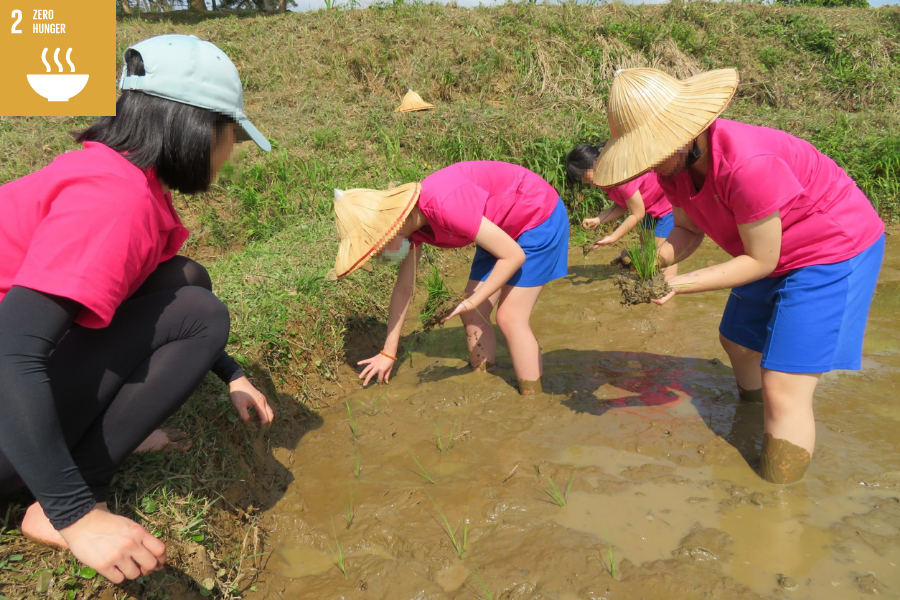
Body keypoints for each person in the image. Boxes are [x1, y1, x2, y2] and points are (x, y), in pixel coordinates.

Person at [0, 34, 274, 583]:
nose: (231, 152)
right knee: (201, 313)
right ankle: (63, 496)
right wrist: (76, 516)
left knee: (185, 279)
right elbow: (10, 352)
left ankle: (88, 447)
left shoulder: (120, 178)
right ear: (197, 128)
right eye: (231, 135)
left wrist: (233, 373)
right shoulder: (113, 200)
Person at [592, 67, 885, 484]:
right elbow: (688, 229)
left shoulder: (749, 163)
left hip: (831, 248)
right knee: (737, 341)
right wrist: (652, 260)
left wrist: (673, 284)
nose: (650, 164)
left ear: (685, 132)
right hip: (765, 249)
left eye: (653, 150)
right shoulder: (673, 168)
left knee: (784, 386)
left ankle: (775, 498)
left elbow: (761, 262)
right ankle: (753, 416)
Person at [333, 161, 569, 395]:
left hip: (537, 215)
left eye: (376, 249)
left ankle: (533, 399)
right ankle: (483, 380)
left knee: (510, 318)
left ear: (388, 228)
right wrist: (388, 351)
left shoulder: (444, 206)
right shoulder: (409, 229)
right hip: (499, 226)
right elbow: (404, 288)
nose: (379, 256)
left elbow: (513, 256)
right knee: (472, 313)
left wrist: (474, 299)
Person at [566, 144, 677, 277]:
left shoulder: (620, 177)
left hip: (667, 204)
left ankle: (668, 286)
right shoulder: (605, 180)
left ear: (596, 164)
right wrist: (597, 220)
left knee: (661, 253)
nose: (585, 181)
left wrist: (613, 237)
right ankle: (637, 266)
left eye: (584, 176)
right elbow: (622, 204)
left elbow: (637, 213)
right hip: (650, 207)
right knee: (646, 245)